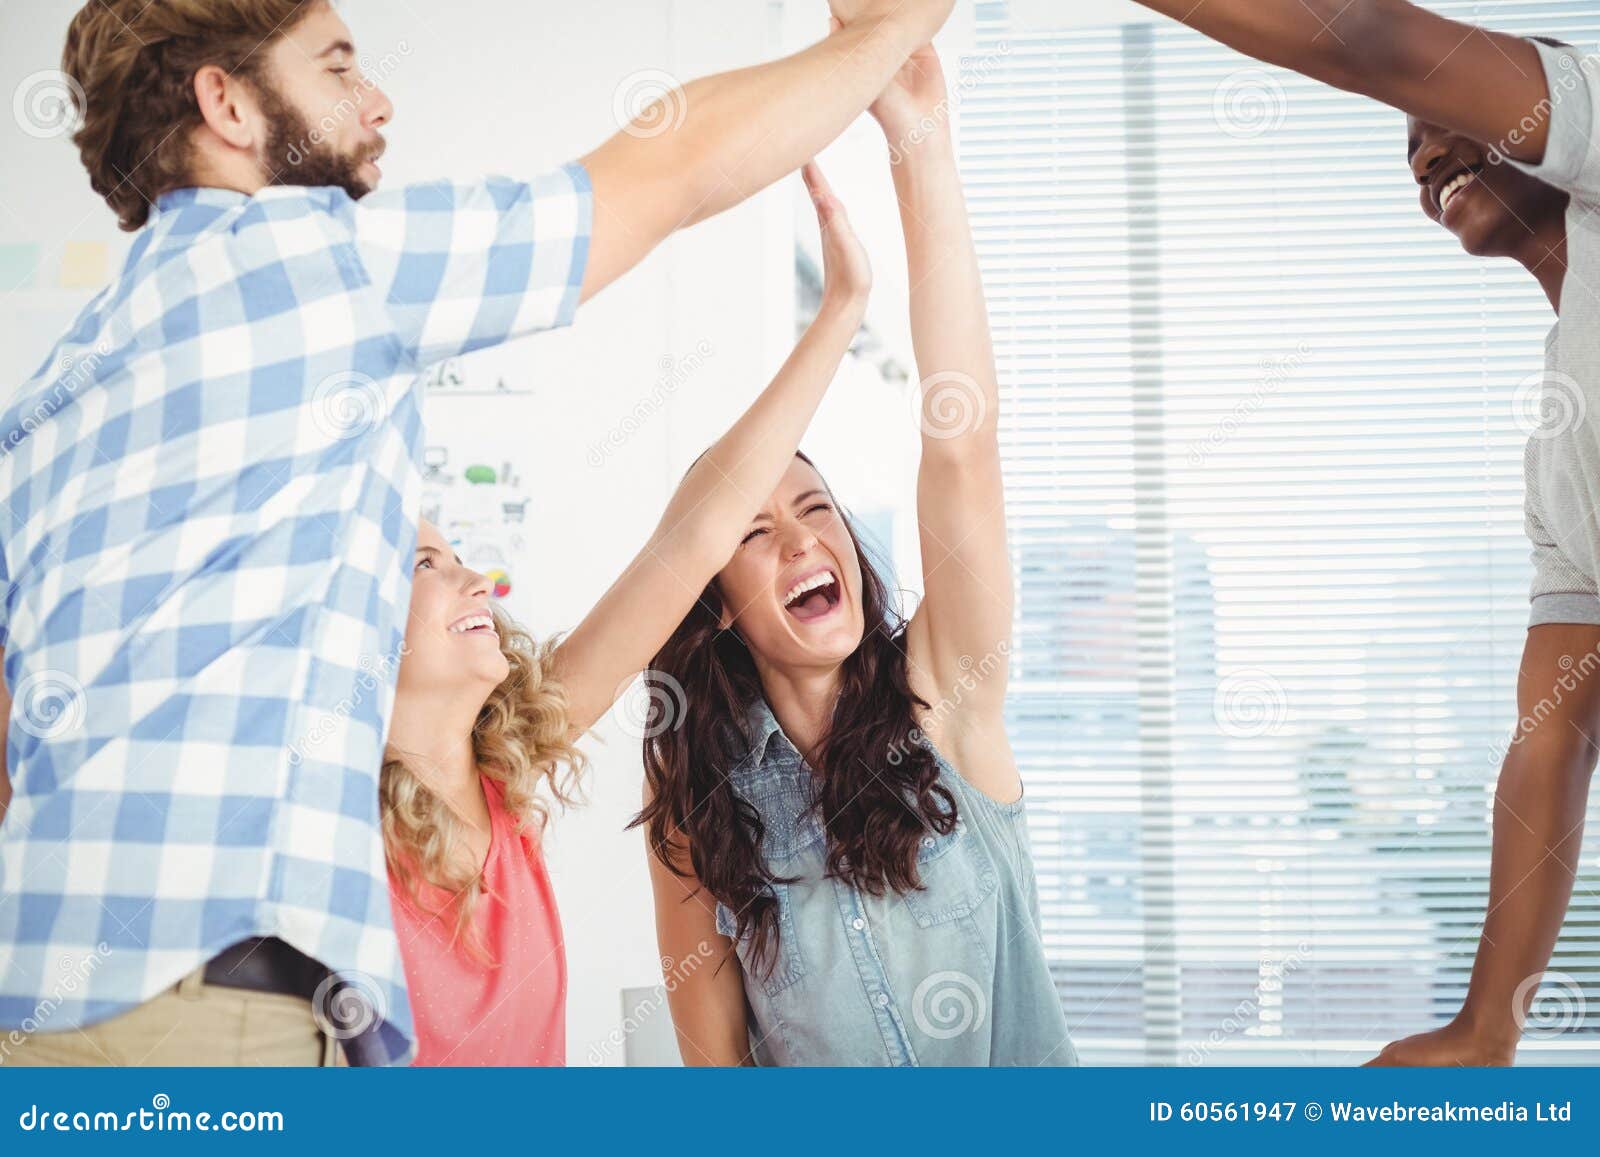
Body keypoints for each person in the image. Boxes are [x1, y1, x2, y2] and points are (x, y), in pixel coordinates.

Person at [0, 0, 954, 1066]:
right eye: (336, 66)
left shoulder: (50, 403)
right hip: (207, 1017)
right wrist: (885, 32)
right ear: (224, 102)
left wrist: (833, 317)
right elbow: (668, 165)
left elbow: (14, 732)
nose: (377, 102)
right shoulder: (297, 265)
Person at [1126, 0, 1600, 1065]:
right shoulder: (1563, 456)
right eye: (1407, 143)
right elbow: (1553, 735)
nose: (1425, 150)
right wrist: (1485, 1028)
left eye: (1438, 116)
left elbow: (1373, 37)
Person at [635, 42, 1077, 1067]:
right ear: (714, 606)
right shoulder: (699, 817)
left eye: (815, 505)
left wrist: (919, 142)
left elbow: (961, 442)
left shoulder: (944, 697)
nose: (800, 538)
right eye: (752, 530)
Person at [383, 164, 869, 1066]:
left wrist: (840, 310)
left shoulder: (502, 778)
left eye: (460, 556)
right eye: (425, 565)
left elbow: (692, 543)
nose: (474, 578)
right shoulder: (328, 831)